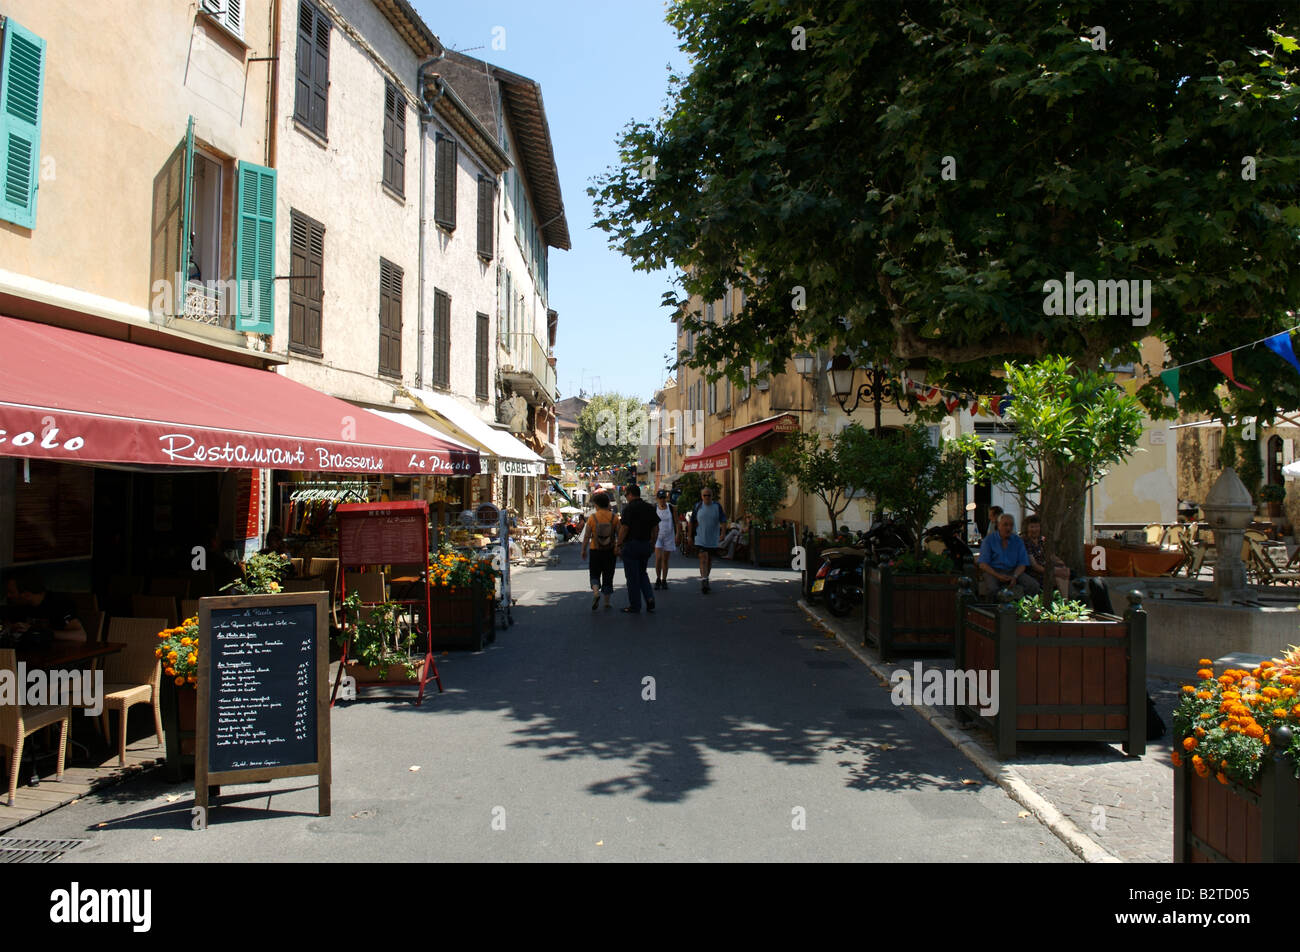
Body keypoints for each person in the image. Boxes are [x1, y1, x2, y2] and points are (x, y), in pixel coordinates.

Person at [3, 570, 85, 642]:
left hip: (58, 653)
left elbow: (81, 636)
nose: (8, 595)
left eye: (11, 592)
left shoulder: (59, 603)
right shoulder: (18, 605)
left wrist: (44, 633)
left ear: (27, 594)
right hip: (28, 653)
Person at [617, 484, 659, 614]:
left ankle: (635, 605)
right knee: (642, 573)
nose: (626, 497)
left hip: (631, 545)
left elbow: (624, 528)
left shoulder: (628, 509)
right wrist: (653, 543)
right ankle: (649, 598)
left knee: (632, 577)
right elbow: (656, 528)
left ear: (630, 494)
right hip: (645, 544)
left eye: (626, 495)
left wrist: (618, 544)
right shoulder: (649, 507)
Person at [978, 513, 1040, 598]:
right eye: (1005, 525)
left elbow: (1022, 563)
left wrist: (1015, 576)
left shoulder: (1017, 541)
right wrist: (998, 575)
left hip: (1013, 571)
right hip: (993, 571)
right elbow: (983, 564)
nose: (1008, 528)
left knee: (1033, 585)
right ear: (998, 526)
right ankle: (992, 606)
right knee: (992, 588)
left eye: (1011, 525)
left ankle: (1026, 605)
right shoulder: (989, 540)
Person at [581, 493, 620, 611]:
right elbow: (619, 535)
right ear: (607, 503)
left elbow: (587, 536)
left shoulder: (592, 518)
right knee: (608, 575)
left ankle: (596, 592)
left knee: (594, 573)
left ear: (596, 505)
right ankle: (607, 602)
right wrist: (618, 548)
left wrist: (583, 550)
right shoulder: (614, 517)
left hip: (595, 550)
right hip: (610, 551)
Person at [1021, 514, 1070, 598]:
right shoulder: (1025, 542)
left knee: (1065, 571)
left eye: (1037, 526)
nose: (1034, 529)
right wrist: (1052, 571)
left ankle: (1064, 599)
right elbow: (1034, 566)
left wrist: (1060, 562)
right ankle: (1065, 600)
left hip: (1046, 567)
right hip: (1033, 572)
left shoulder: (1042, 540)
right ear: (1027, 528)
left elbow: (1050, 555)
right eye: (1032, 527)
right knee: (1060, 575)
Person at [691, 487, 727, 593]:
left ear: (712, 496)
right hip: (700, 537)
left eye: (709, 495)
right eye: (704, 495)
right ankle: (704, 580)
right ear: (701, 496)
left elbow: (723, 520)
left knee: (709, 559)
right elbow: (691, 521)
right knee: (703, 557)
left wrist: (723, 533)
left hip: (712, 538)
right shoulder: (697, 506)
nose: (707, 497)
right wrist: (689, 536)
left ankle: (706, 577)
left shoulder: (717, 506)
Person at [652, 489, 677, 589]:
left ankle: (664, 580)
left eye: (663, 498)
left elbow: (676, 522)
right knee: (658, 558)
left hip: (669, 536)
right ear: (657, 499)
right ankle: (658, 578)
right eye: (660, 498)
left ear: (666, 498)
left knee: (665, 559)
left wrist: (678, 534)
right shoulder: (654, 508)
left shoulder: (671, 508)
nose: (662, 500)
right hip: (658, 536)